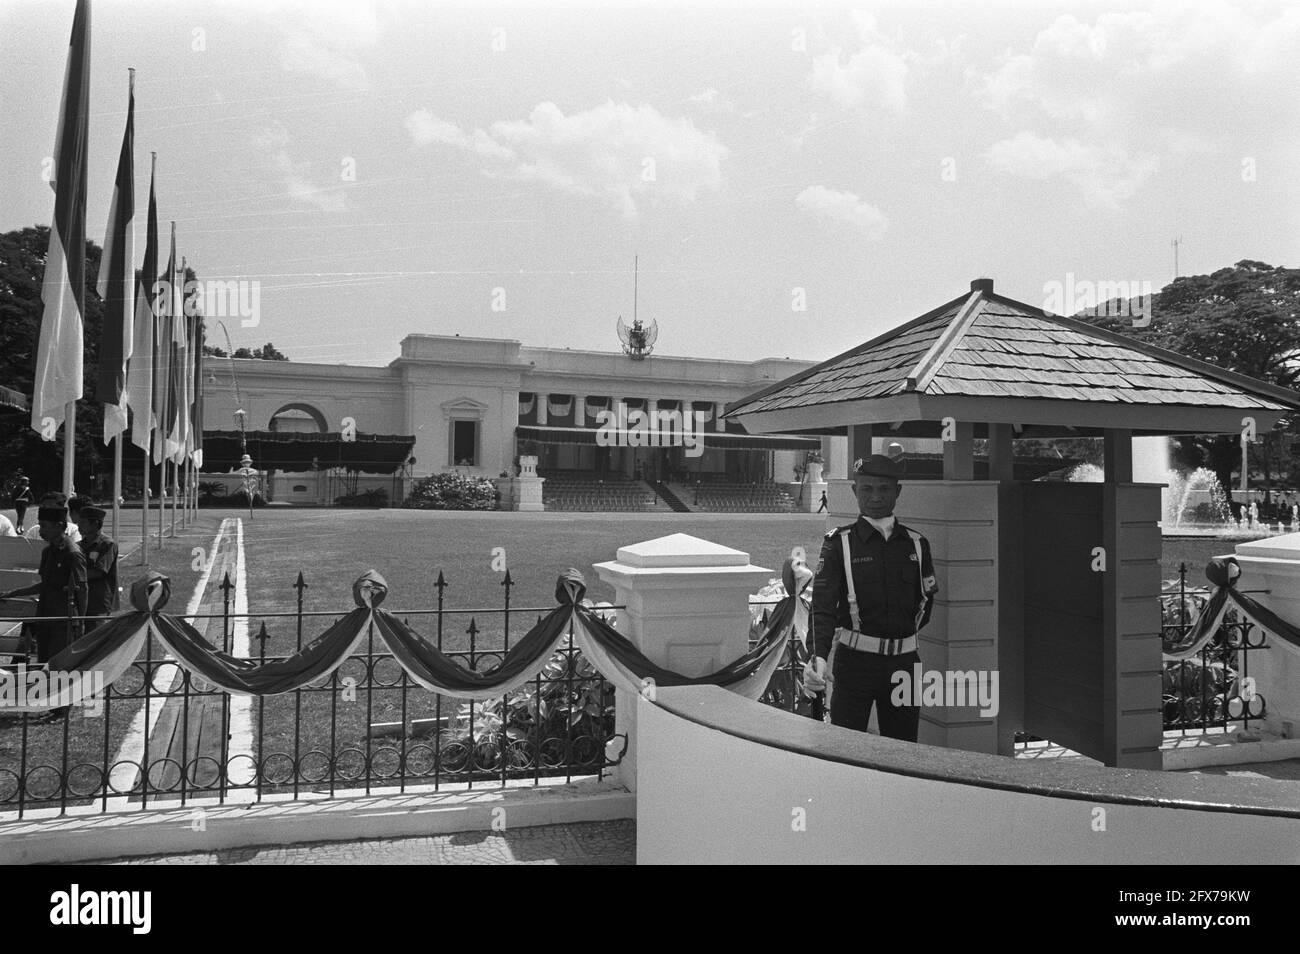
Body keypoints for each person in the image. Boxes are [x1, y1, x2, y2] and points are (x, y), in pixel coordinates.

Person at [804, 455, 938, 742]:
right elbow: (822, 608)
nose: (875, 497)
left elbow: (925, 605)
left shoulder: (917, 544)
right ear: (855, 491)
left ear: (897, 491)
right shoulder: (839, 543)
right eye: (866, 489)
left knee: (903, 751)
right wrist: (817, 655)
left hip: (904, 664)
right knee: (846, 748)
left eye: (884, 489)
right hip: (855, 665)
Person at [0, 494, 86, 722]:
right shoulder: (48, 552)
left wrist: (81, 620)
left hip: (64, 618)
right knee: (47, 660)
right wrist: (14, 593)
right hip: (46, 614)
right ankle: (53, 705)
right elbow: (45, 584)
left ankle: (63, 708)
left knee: (62, 663)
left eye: (46, 527)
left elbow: (81, 589)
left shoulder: (72, 553)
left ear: (60, 526)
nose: (42, 531)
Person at [75, 505, 118, 631]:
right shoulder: (78, 545)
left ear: (95, 524)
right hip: (81, 599)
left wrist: (73, 576)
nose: (79, 526)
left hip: (98, 600)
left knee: (95, 636)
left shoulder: (107, 544)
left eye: (83, 523)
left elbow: (99, 571)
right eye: (78, 523)